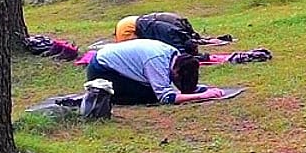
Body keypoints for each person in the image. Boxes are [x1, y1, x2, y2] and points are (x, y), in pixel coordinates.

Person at [86, 39, 223, 105]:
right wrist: (203, 95)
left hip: (112, 64)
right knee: (150, 95)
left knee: (155, 88)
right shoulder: (157, 63)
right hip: (102, 71)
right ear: (175, 71)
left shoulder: (173, 55)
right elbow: (166, 97)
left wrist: (201, 89)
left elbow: (174, 86)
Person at [114, 12, 230, 54]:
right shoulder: (174, 33)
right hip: (128, 27)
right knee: (137, 50)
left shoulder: (180, 30)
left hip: (133, 21)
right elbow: (179, 50)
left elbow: (191, 39)